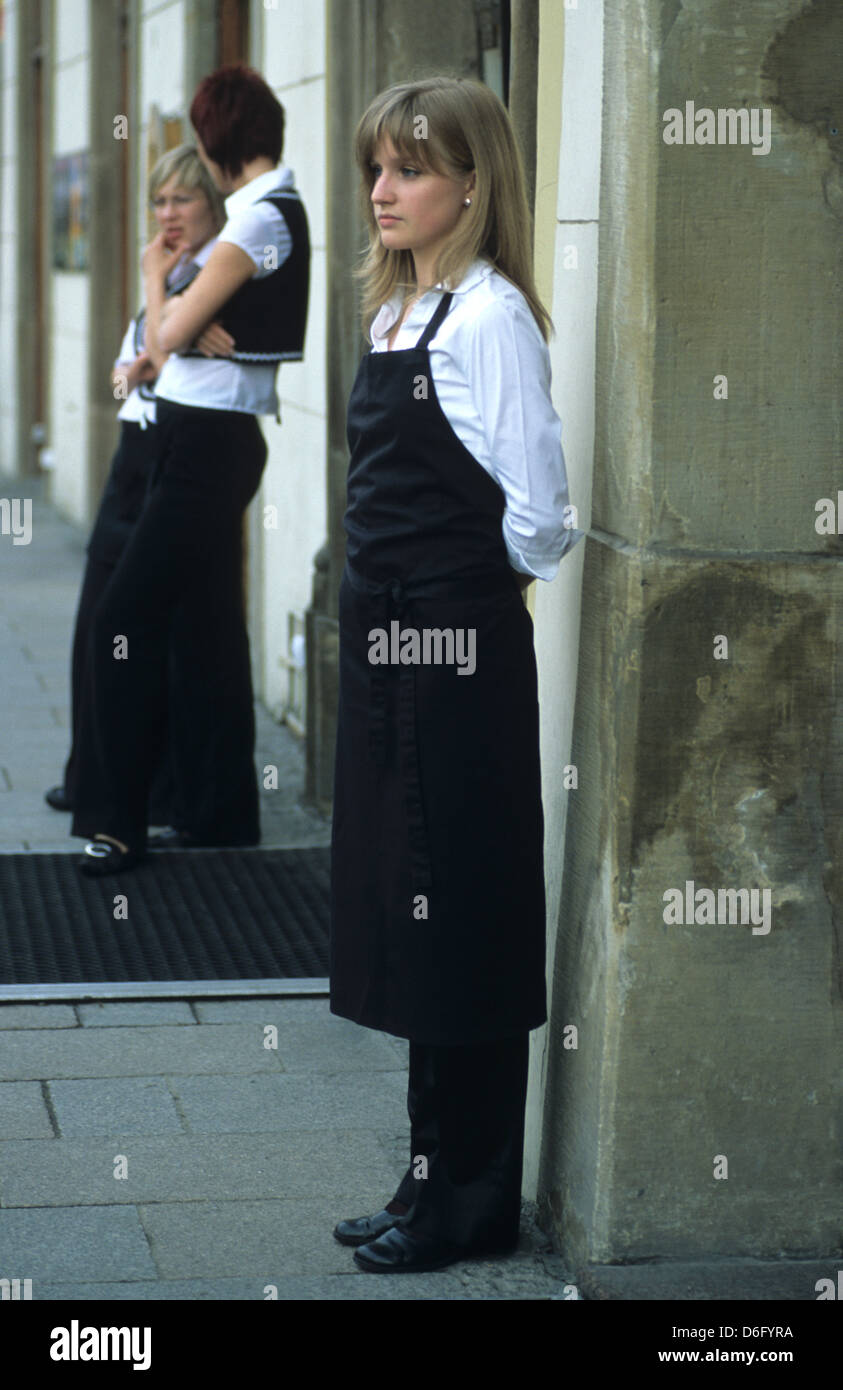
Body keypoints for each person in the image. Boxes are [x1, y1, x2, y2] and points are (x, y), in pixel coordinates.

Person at [329, 75, 584, 1273]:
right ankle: (425, 1179)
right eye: (378, 167)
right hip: (387, 655)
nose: (382, 190)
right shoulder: (398, 315)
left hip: (455, 653)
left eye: (410, 169)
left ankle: (470, 1202)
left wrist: (467, 604)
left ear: (472, 184)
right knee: (411, 916)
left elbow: (542, 519)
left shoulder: (490, 320)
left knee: (465, 911)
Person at [73, 65, 310, 874]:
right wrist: (172, 329)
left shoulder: (257, 224)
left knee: (121, 620)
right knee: (204, 632)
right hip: (192, 438)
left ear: (214, 150)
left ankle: (117, 824)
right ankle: (216, 814)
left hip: (205, 448)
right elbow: (161, 345)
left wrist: (170, 315)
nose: (176, 204)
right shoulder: (252, 223)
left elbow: (167, 333)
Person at [46, 145, 225, 824]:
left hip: (174, 458)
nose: (168, 214)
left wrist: (161, 324)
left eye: (183, 199)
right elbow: (124, 376)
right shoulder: (170, 271)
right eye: (159, 201)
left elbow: (160, 351)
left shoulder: (215, 276)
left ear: (214, 204)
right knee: (99, 616)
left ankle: (151, 795)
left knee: (158, 631)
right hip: (132, 456)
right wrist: (157, 335)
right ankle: (87, 773)